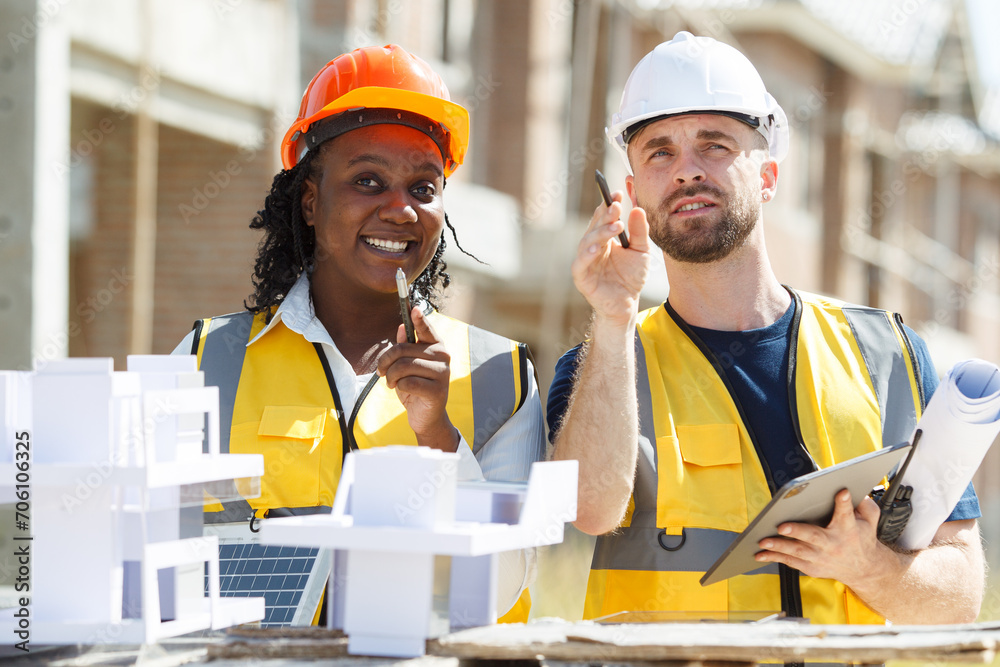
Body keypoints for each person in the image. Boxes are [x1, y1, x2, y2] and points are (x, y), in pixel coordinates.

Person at [547, 31, 984, 624]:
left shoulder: (887, 355)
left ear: (770, 176)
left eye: (715, 145)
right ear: (631, 196)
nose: (685, 172)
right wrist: (614, 313)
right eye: (659, 152)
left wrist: (869, 566)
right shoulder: (602, 362)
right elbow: (588, 510)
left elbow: (961, 597)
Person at [174, 44, 544, 623]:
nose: (400, 210)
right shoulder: (208, 360)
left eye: (423, 188)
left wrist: (437, 433)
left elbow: (505, 589)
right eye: (368, 181)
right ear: (312, 203)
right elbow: (153, 565)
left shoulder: (501, 374)